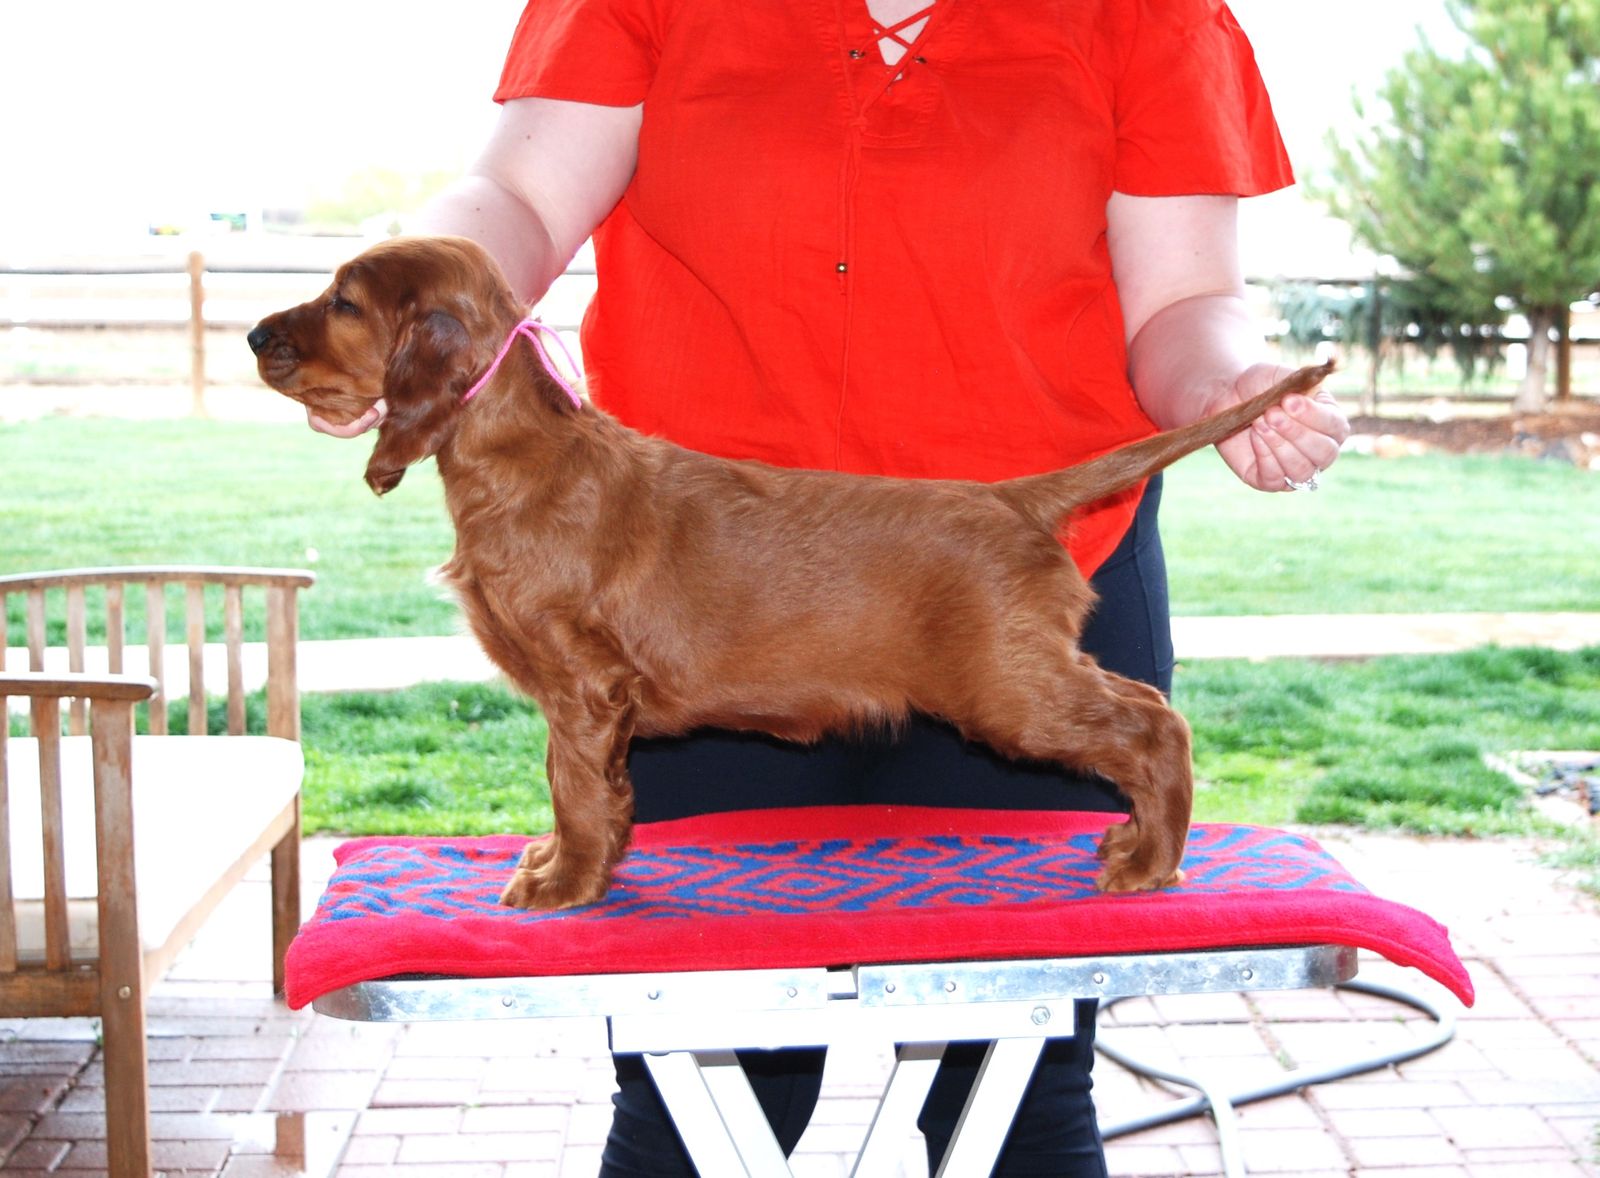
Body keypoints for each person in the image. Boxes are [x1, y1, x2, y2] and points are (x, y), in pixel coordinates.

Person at [312, 0, 1350, 1172]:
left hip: (1004, 581)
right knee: (692, 1106)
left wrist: (1225, 383)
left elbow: (1179, 302)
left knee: (1013, 1107)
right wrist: (399, 318)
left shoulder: (1150, 18)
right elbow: (519, 198)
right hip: (697, 600)